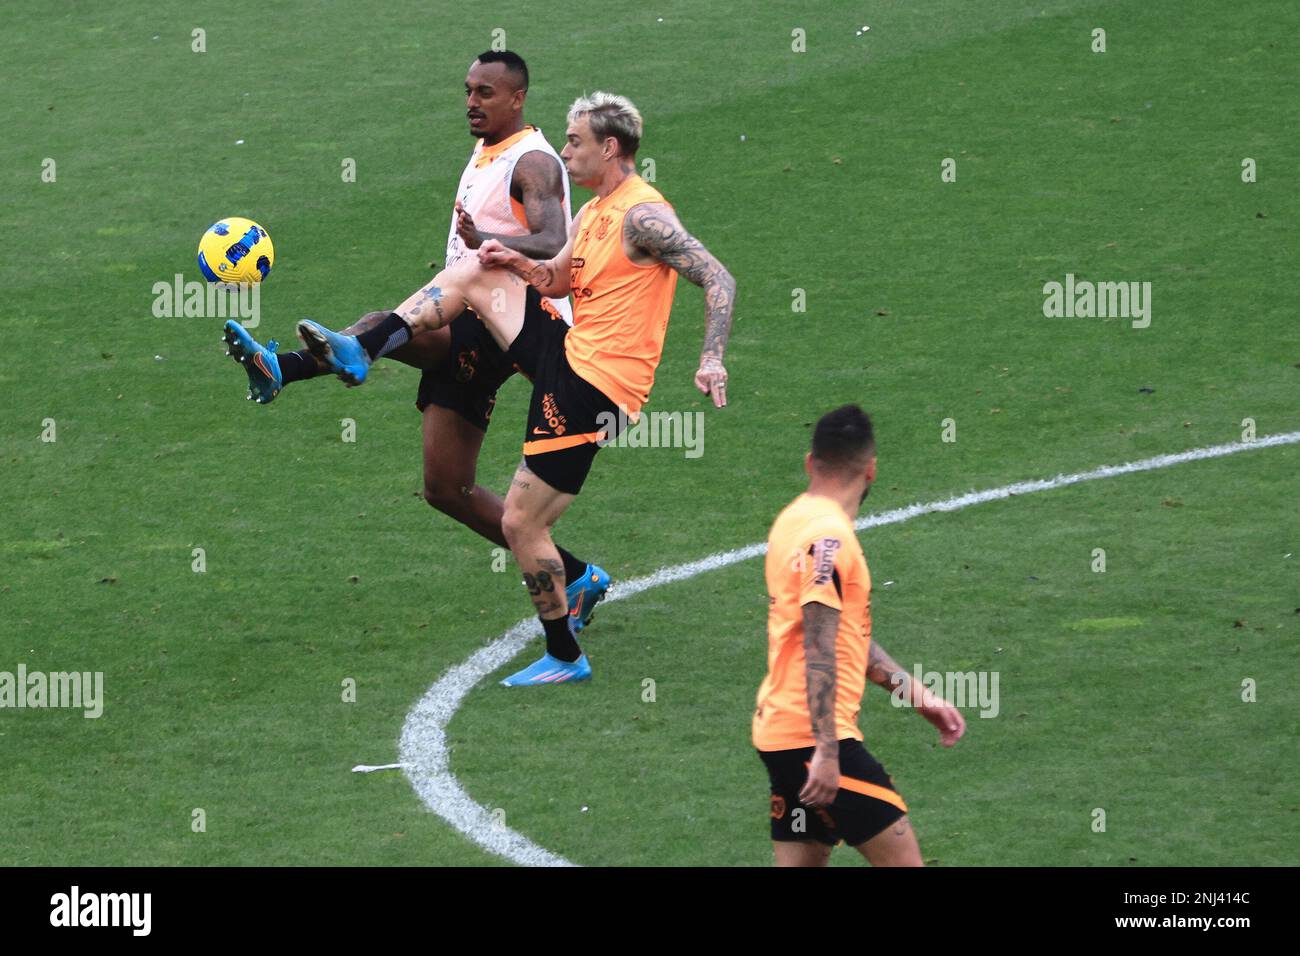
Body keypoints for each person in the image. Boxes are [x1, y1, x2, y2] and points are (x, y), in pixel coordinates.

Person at [295, 92, 736, 686]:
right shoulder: (594, 211)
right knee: (477, 270)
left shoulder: (642, 216)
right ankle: (364, 347)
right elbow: (554, 280)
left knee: (521, 524)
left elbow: (717, 276)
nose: (565, 152)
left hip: (595, 387)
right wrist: (508, 256)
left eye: (575, 141)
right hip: (568, 352)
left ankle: (565, 655)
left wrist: (711, 358)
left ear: (609, 148)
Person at [220, 51, 611, 632]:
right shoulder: (489, 151)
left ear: (518, 98)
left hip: (516, 316)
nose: (471, 102)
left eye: (485, 93)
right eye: (468, 90)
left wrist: (488, 241)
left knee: (383, 326)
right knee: (446, 488)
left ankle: (289, 367)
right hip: (469, 314)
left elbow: (554, 238)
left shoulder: (532, 161)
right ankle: (577, 578)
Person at [753, 405, 966, 866]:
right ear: (871, 470)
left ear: (810, 463)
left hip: (779, 734)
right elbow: (818, 644)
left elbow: (843, 635)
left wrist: (917, 695)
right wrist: (828, 750)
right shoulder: (831, 539)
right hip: (813, 741)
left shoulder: (793, 518)